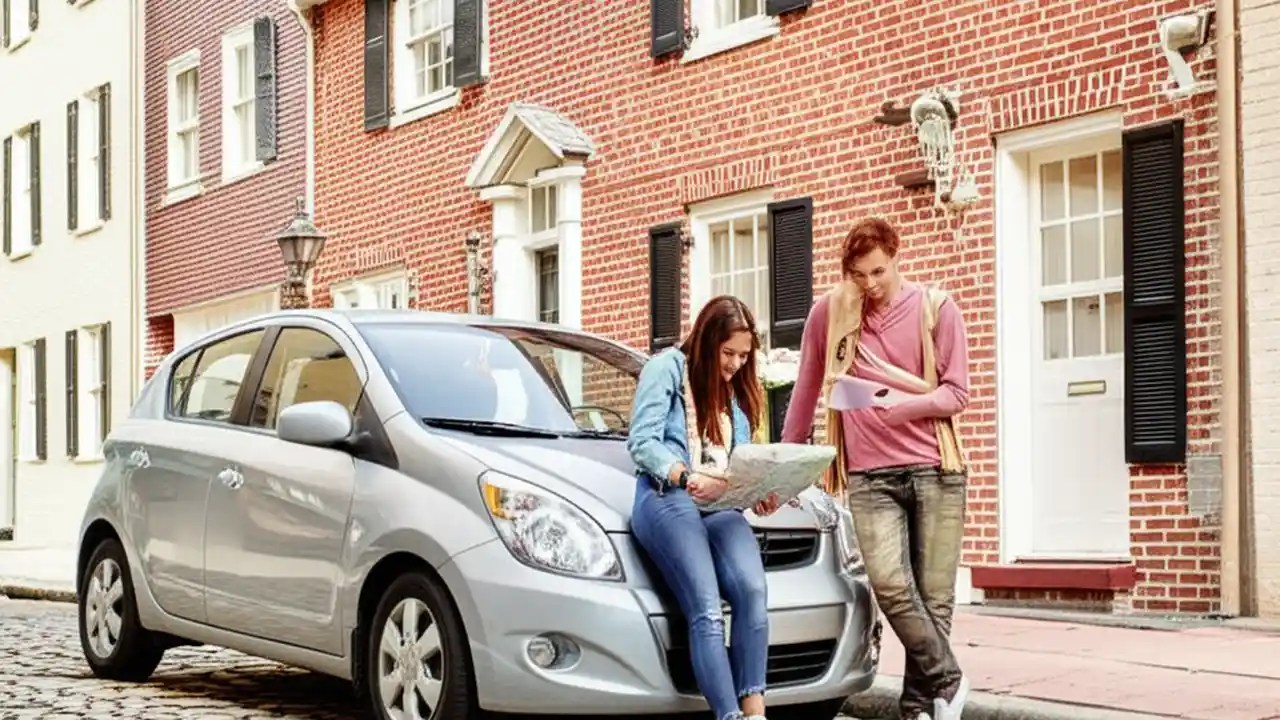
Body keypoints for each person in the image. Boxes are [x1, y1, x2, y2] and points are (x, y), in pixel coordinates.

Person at [781, 218, 971, 720]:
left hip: (935, 468)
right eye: (859, 275)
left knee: (933, 598)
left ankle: (918, 708)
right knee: (889, 586)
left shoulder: (937, 308)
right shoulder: (832, 312)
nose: (870, 285)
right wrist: (786, 465)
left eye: (878, 272)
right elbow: (806, 387)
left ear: (895, 254)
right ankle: (949, 678)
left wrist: (900, 408)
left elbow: (956, 393)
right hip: (869, 476)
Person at [627, 295, 783, 720]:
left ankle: (755, 713)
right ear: (707, 340)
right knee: (707, 607)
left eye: (744, 355)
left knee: (753, 591)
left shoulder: (734, 394)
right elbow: (641, 443)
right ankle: (728, 716)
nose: (735, 364)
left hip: (720, 503)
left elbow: (739, 460)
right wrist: (683, 475)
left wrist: (759, 490)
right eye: (728, 353)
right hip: (667, 495)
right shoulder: (666, 369)